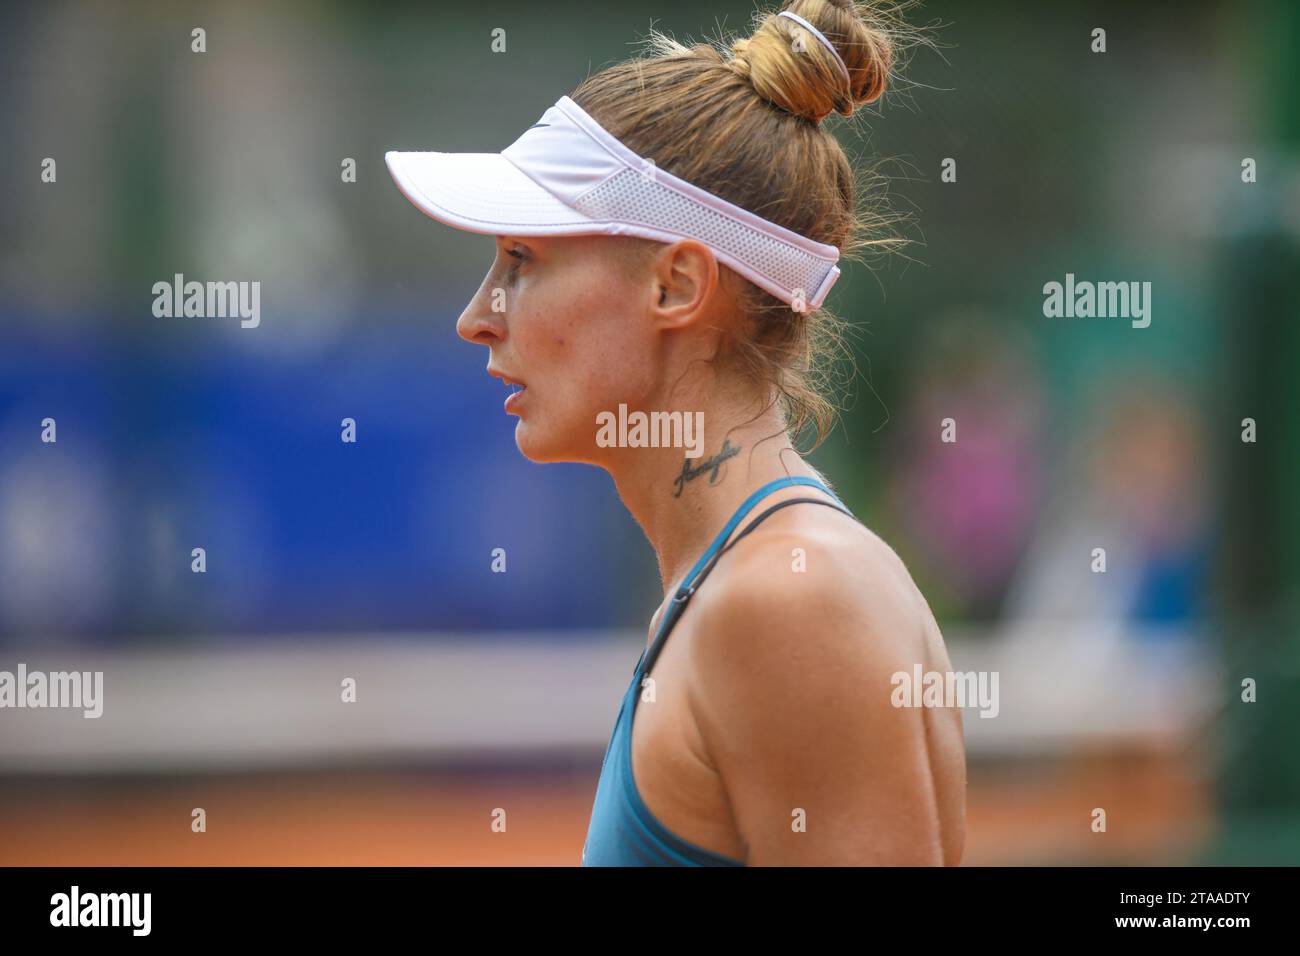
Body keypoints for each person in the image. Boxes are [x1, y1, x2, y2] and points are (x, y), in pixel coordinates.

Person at [385, 0, 965, 866]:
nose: (477, 318)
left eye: (523, 261)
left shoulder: (789, 602)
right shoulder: (748, 586)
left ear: (676, 284)